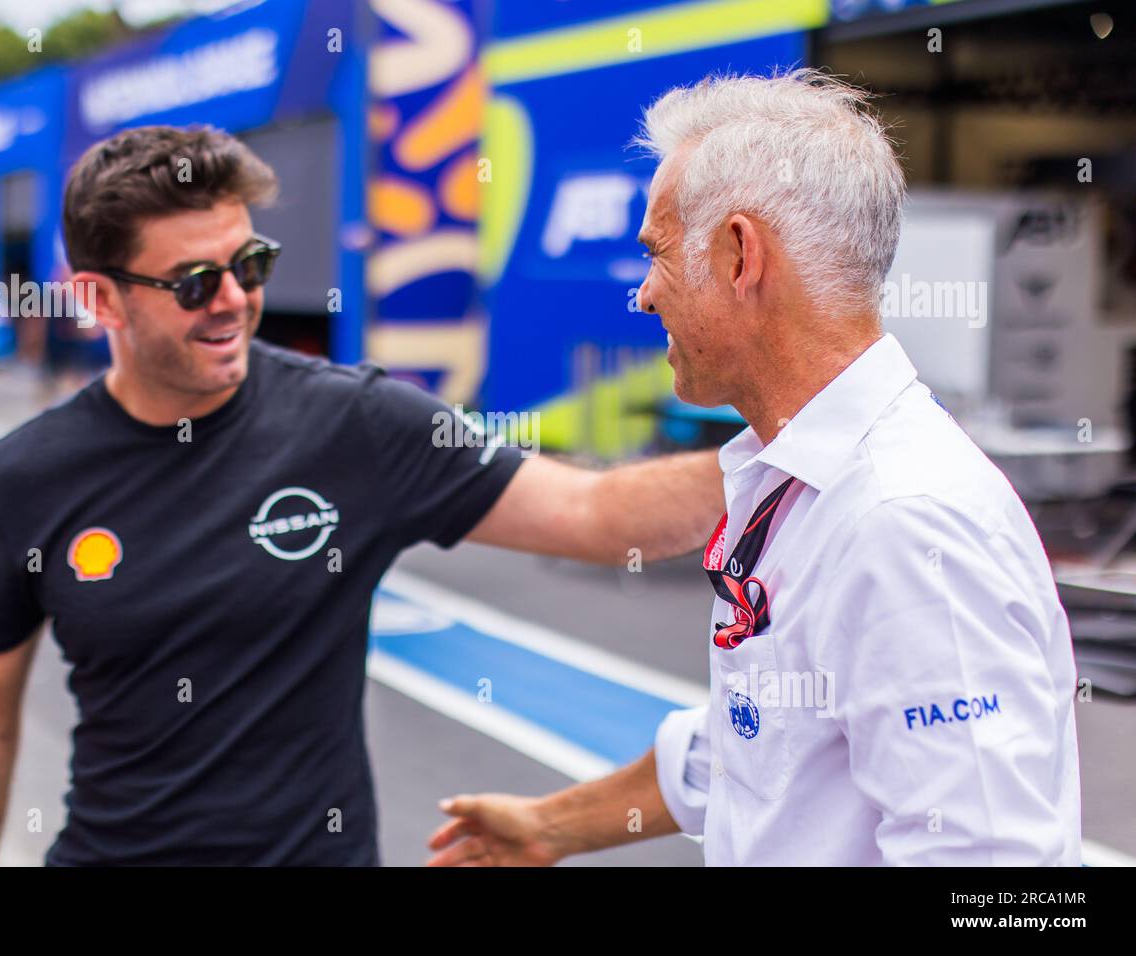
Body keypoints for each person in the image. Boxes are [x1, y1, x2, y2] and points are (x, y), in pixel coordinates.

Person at [0, 124, 726, 866]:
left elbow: (599, 514)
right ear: (100, 299)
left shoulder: (355, 423)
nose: (234, 299)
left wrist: (798, 442)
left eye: (250, 265)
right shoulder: (25, 477)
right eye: (196, 282)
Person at [428, 69, 1082, 867]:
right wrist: (552, 828)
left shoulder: (902, 521)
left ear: (740, 254)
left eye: (657, 254)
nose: (642, 294)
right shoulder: (809, 479)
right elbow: (762, 735)